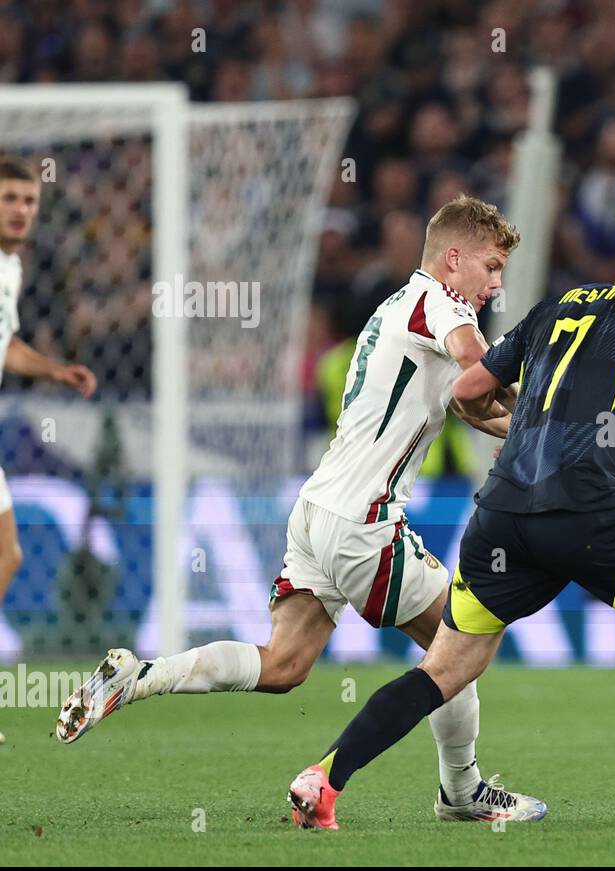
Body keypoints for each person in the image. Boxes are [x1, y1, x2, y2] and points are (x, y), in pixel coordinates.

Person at [56, 196, 547, 824]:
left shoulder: (393, 311)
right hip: (364, 524)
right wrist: (541, 415)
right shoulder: (442, 304)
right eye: (492, 265)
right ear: (454, 258)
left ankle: (141, 677)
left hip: (316, 512)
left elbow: (465, 403)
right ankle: (460, 791)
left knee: (284, 663)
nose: (496, 283)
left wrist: (521, 429)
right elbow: (481, 368)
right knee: (466, 639)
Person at [285, 237, 615, 829]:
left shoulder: (556, 306)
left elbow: (465, 391)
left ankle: (324, 780)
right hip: (590, 513)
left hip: (501, 519)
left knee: (440, 672)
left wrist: (523, 429)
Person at [0, 155, 99, 745]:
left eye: (28, 201)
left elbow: (5, 344)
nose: (20, 211)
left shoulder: (11, 266)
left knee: (8, 554)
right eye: (9, 199)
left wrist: (53, 369)